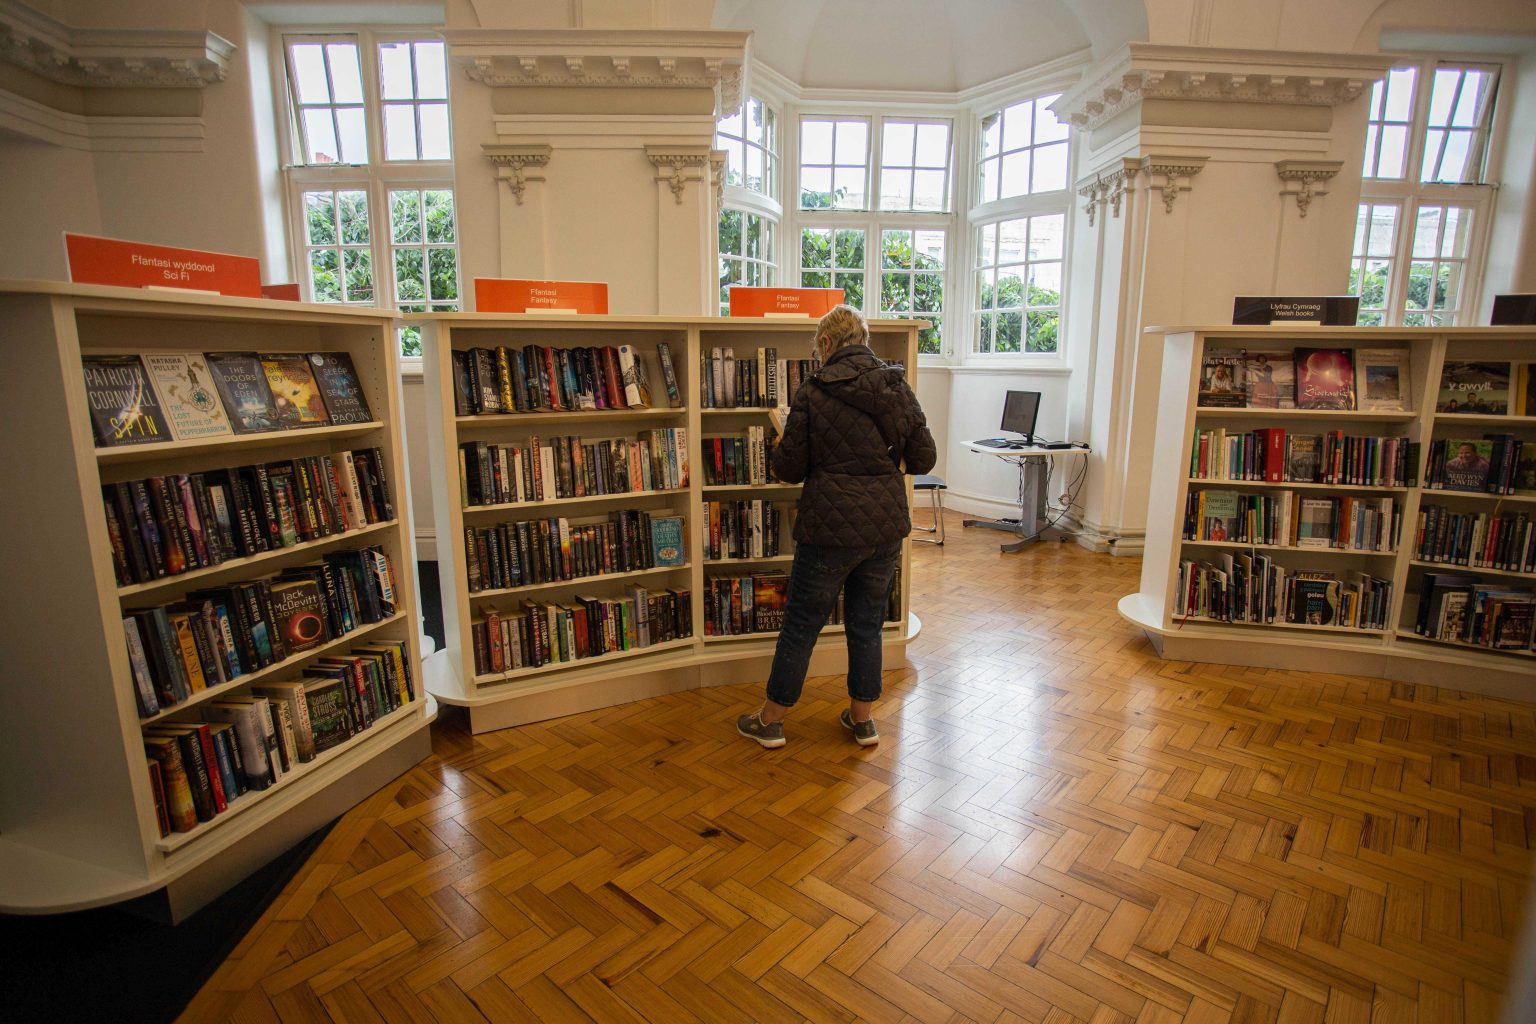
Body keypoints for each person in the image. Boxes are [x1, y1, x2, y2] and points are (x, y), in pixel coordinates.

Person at [736, 305, 936, 749]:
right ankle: (862, 720)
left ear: (826, 345)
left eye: (816, 347)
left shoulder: (813, 390)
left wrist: (780, 443)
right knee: (866, 623)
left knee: (802, 624)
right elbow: (925, 459)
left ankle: (772, 721)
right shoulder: (896, 385)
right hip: (884, 528)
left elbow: (790, 470)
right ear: (862, 339)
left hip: (828, 529)